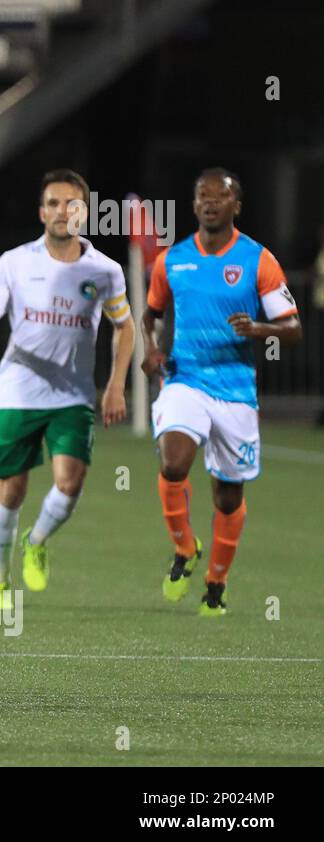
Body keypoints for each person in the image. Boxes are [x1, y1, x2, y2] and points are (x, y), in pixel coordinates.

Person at [0, 170, 135, 607]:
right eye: (54, 204)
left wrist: (116, 385)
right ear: (42, 212)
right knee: (12, 489)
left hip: (73, 394)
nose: (63, 211)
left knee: (71, 481)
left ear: (86, 211)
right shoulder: (15, 262)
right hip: (19, 391)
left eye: (72, 204)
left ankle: (36, 540)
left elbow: (125, 327)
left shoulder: (105, 271)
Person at [142, 168, 302, 614]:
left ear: (237, 205)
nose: (211, 201)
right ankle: (184, 547)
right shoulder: (172, 260)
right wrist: (152, 351)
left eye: (221, 195)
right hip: (184, 379)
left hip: (234, 390)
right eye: (202, 195)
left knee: (227, 496)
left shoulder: (258, 259)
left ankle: (216, 580)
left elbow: (292, 328)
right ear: (194, 205)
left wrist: (258, 328)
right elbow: (151, 314)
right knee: (173, 464)